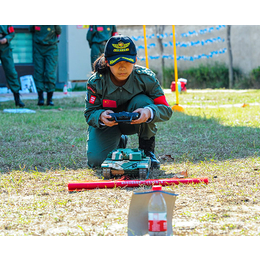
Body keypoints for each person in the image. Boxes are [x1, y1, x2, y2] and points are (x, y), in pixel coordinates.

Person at [84, 35, 173, 169]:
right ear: (107, 62)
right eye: (116, 62)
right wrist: (101, 116)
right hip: (108, 125)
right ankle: (119, 142)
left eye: (127, 62)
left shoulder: (146, 78)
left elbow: (166, 110)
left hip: (135, 122)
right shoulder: (96, 82)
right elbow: (89, 113)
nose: (122, 67)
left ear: (135, 60)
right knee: (97, 161)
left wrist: (149, 112)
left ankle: (147, 150)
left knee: (143, 102)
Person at [29, 25, 62, 106]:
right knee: (39, 72)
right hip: (38, 47)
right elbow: (31, 29)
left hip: (51, 48)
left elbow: (59, 31)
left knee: (50, 72)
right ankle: (40, 98)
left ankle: (49, 99)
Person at [0, 25, 25, 107]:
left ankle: (17, 99)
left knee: (11, 71)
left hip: (5, 48)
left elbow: (12, 33)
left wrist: (6, 39)